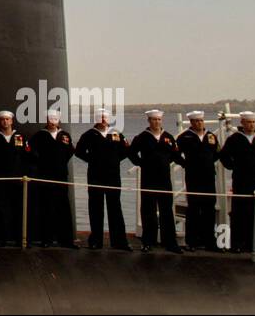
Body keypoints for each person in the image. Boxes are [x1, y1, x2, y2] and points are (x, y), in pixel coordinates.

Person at [73, 108, 131, 250]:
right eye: (101, 117)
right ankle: (96, 241)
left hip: (113, 176)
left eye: (106, 117)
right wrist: (93, 161)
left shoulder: (116, 134)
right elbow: (79, 152)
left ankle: (119, 241)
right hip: (95, 176)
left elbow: (126, 151)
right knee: (96, 208)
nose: (103, 119)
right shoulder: (89, 135)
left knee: (115, 208)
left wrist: (115, 160)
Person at [128, 108, 184, 253]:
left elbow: (175, 155)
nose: (157, 122)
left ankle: (170, 242)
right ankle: (148, 241)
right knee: (148, 211)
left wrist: (185, 164)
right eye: (154, 119)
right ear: (149, 121)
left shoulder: (168, 137)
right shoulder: (142, 137)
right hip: (148, 179)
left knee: (167, 210)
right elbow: (131, 153)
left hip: (164, 179)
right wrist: (141, 163)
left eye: (159, 119)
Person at [219, 111, 255, 253]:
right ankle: (238, 243)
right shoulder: (235, 139)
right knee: (240, 212)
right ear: (242, 123)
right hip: (241, 180)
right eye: (248, 122)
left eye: (253, 122)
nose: (251, 125)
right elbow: (224, 156)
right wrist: (234, 167)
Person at [0, 110, 32, 247]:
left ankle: (19, 238)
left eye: (7, 119)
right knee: (0, 209)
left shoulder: (20, 137)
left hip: (18, 180)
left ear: (11, 121)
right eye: (2, 119)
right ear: (0, 122)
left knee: (19, 209)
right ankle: (0, 238)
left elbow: (28, 157)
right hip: (0, 179)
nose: (5, 122)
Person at [28, 110, 77, 248]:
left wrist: (60, 163)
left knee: (63, 207)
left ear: (58, 120)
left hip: (61, 176)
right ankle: (46, 239)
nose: (52, 121)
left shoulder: (65, 136)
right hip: (45, 176)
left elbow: (70, 152)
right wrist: (42, 164)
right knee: (46, 207)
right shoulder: (40, 135)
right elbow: (29, 151)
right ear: (47, 120)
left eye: (55, 119)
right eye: (50, 119)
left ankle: (66, 240)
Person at [176, 110, 220, 251]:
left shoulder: (211, 137)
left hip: (208, 177)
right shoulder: (185, 137)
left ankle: (209, 241)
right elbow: (175, 154)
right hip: (194, 177)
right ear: (191, 122)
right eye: (196, 121)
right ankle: (192, 241)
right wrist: (185, 164)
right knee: (193, 209)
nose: (199, 123)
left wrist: (207, 164)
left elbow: (217, 154)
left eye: (201, 120)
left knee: (209, 209)